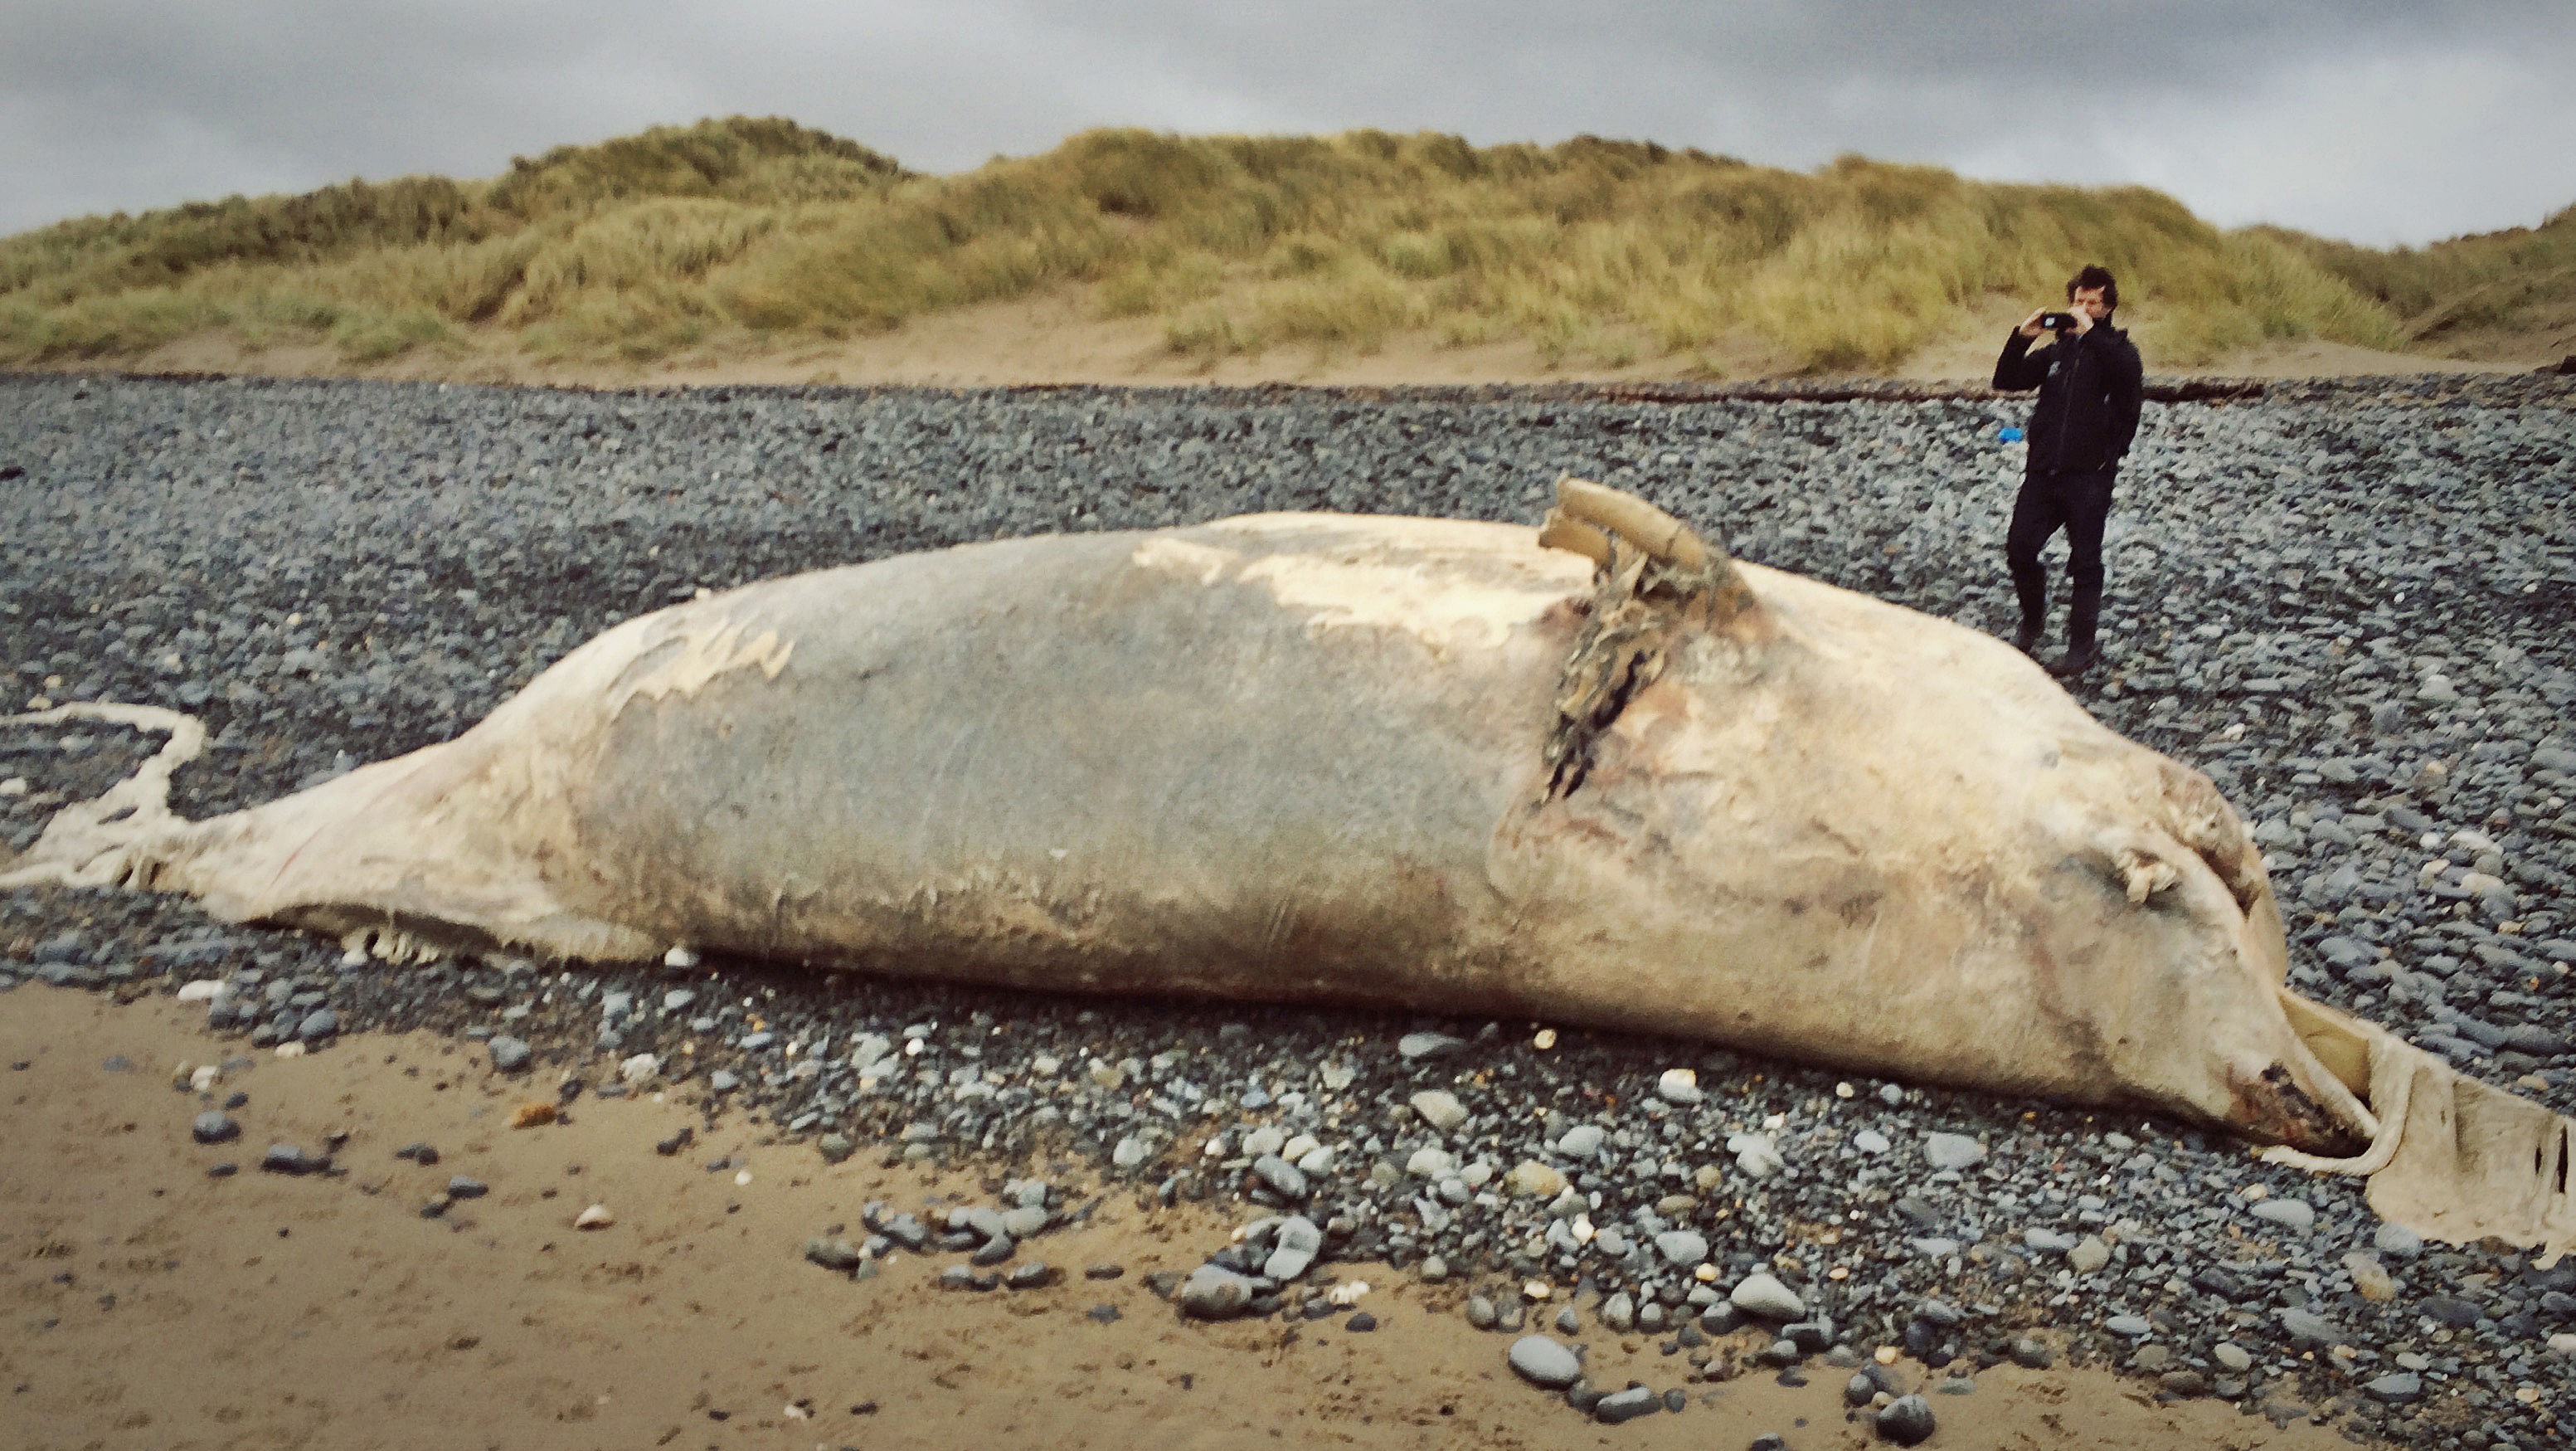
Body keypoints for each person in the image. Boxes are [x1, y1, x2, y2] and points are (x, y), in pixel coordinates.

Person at [1991, 264, 2142, 677]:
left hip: (2090, 476)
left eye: (2093, 302)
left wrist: (2091, 334)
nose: (2084, 308)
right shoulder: (2058, 353)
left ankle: (2081, 648)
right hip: (2044, 472)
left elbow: (2126, 379)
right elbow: (2006, 379)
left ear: (2108, 308)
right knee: (2020, 549)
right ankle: (2032, 623)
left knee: (2085, 561)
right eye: (2079, 301)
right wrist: (2023, 337)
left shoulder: (2120, 351)